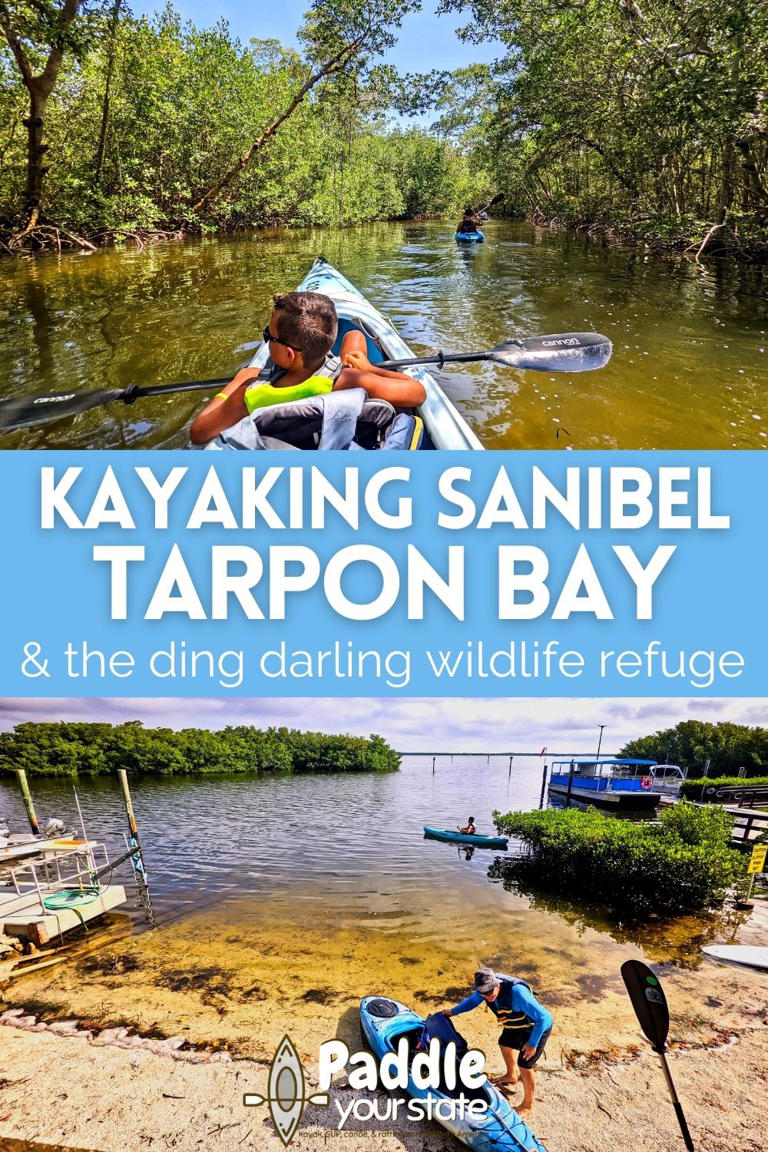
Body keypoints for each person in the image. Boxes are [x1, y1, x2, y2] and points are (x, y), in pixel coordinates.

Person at [189, 291, 426, 445]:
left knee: (353, 342)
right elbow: (417, 393)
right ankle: (357, 356)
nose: (267, 339)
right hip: (336, 393)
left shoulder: (249, 396)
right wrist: (367, 368)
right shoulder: (349, 380)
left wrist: (237, 382)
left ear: (288, 354)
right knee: (354, 336)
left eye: (268, 336)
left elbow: (198, 433)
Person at [442, 967, 552, 1116]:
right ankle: (511, 1076)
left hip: (536, 1027)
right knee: (504, 1044)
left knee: (525, 1065)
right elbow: (472, 1002)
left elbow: (544, 1018)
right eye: (482, 992)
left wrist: (532, 1043)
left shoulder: (518, 993)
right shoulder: (484, 990)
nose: (487, 996)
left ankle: (528, 1105)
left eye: (489, 992)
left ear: (497, 984)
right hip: (516, 1023)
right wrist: (453, 1011)